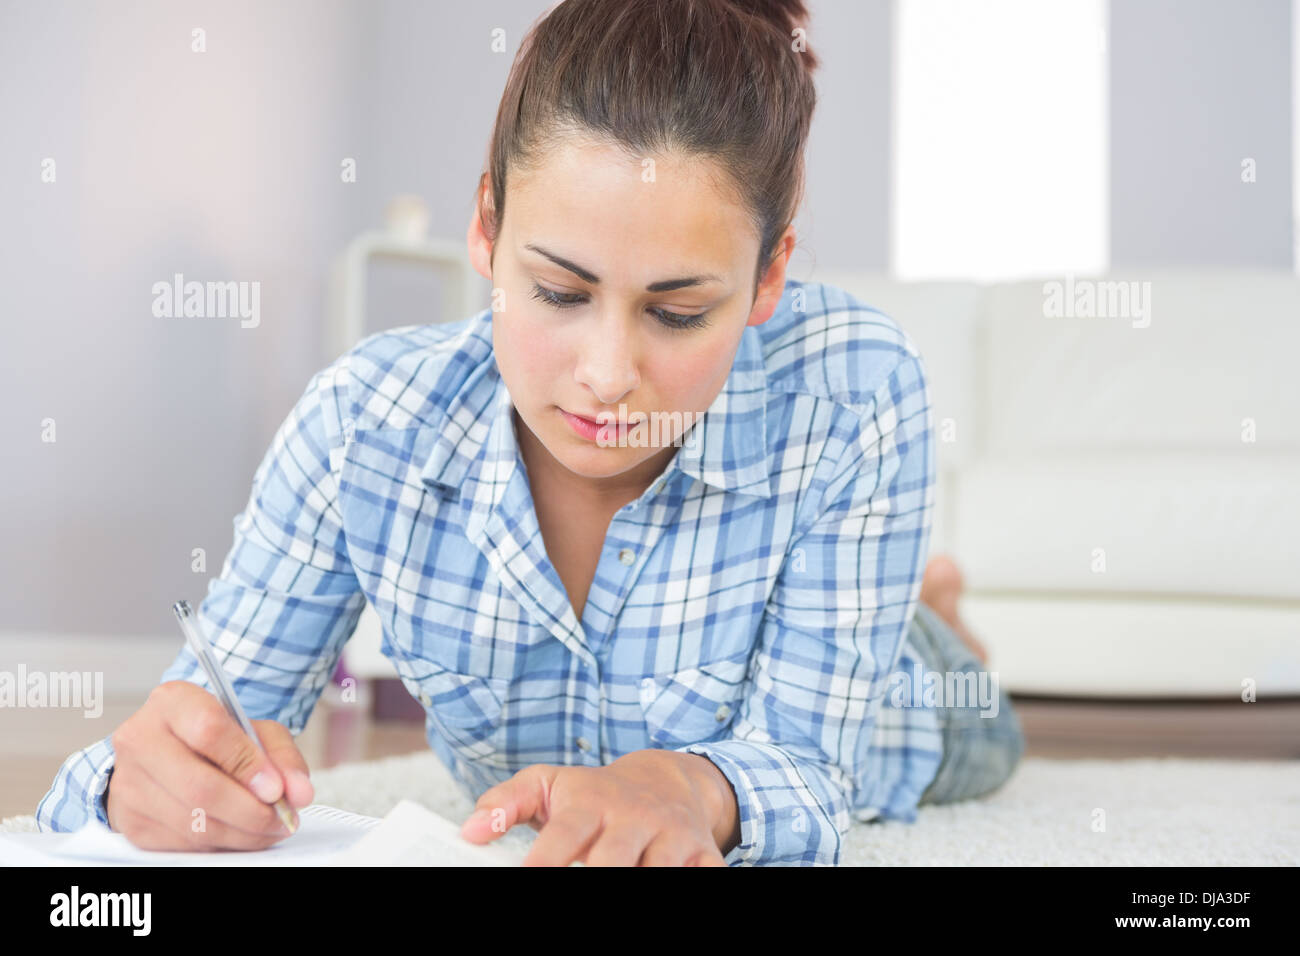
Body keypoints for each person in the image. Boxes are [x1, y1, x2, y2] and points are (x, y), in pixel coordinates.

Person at [36, 0, 1023, 866]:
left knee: (967, 714)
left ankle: (932, 613)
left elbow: (808, 766)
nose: (605, 373)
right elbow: (208, 720)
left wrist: (693, 788)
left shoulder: (853, 391)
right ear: (485, 227)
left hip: (898, 704)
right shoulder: (364, 423)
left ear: (768, 277)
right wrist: (152, 776)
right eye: (557, 290)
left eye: (676, 312)